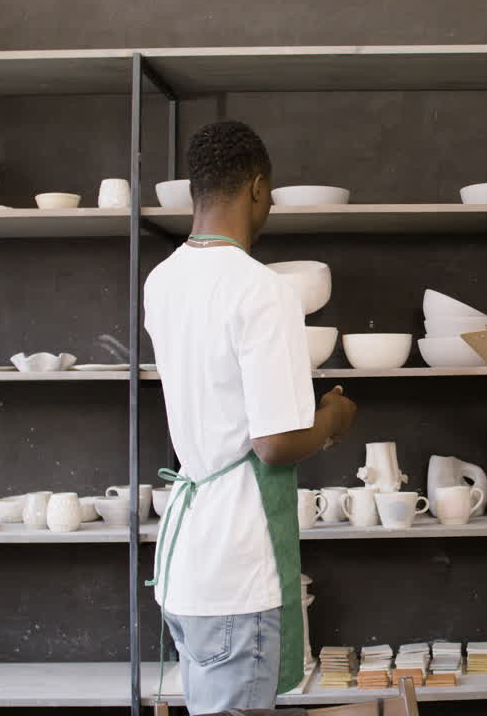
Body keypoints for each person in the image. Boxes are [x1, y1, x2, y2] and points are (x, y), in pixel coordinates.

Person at [143, 120, 357, 714]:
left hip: (186, 565)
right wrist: (333, 419)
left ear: (195, 190)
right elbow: (275, 442)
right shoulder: (262, 290)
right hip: (236, 571)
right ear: (259, 189)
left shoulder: (161, 281)